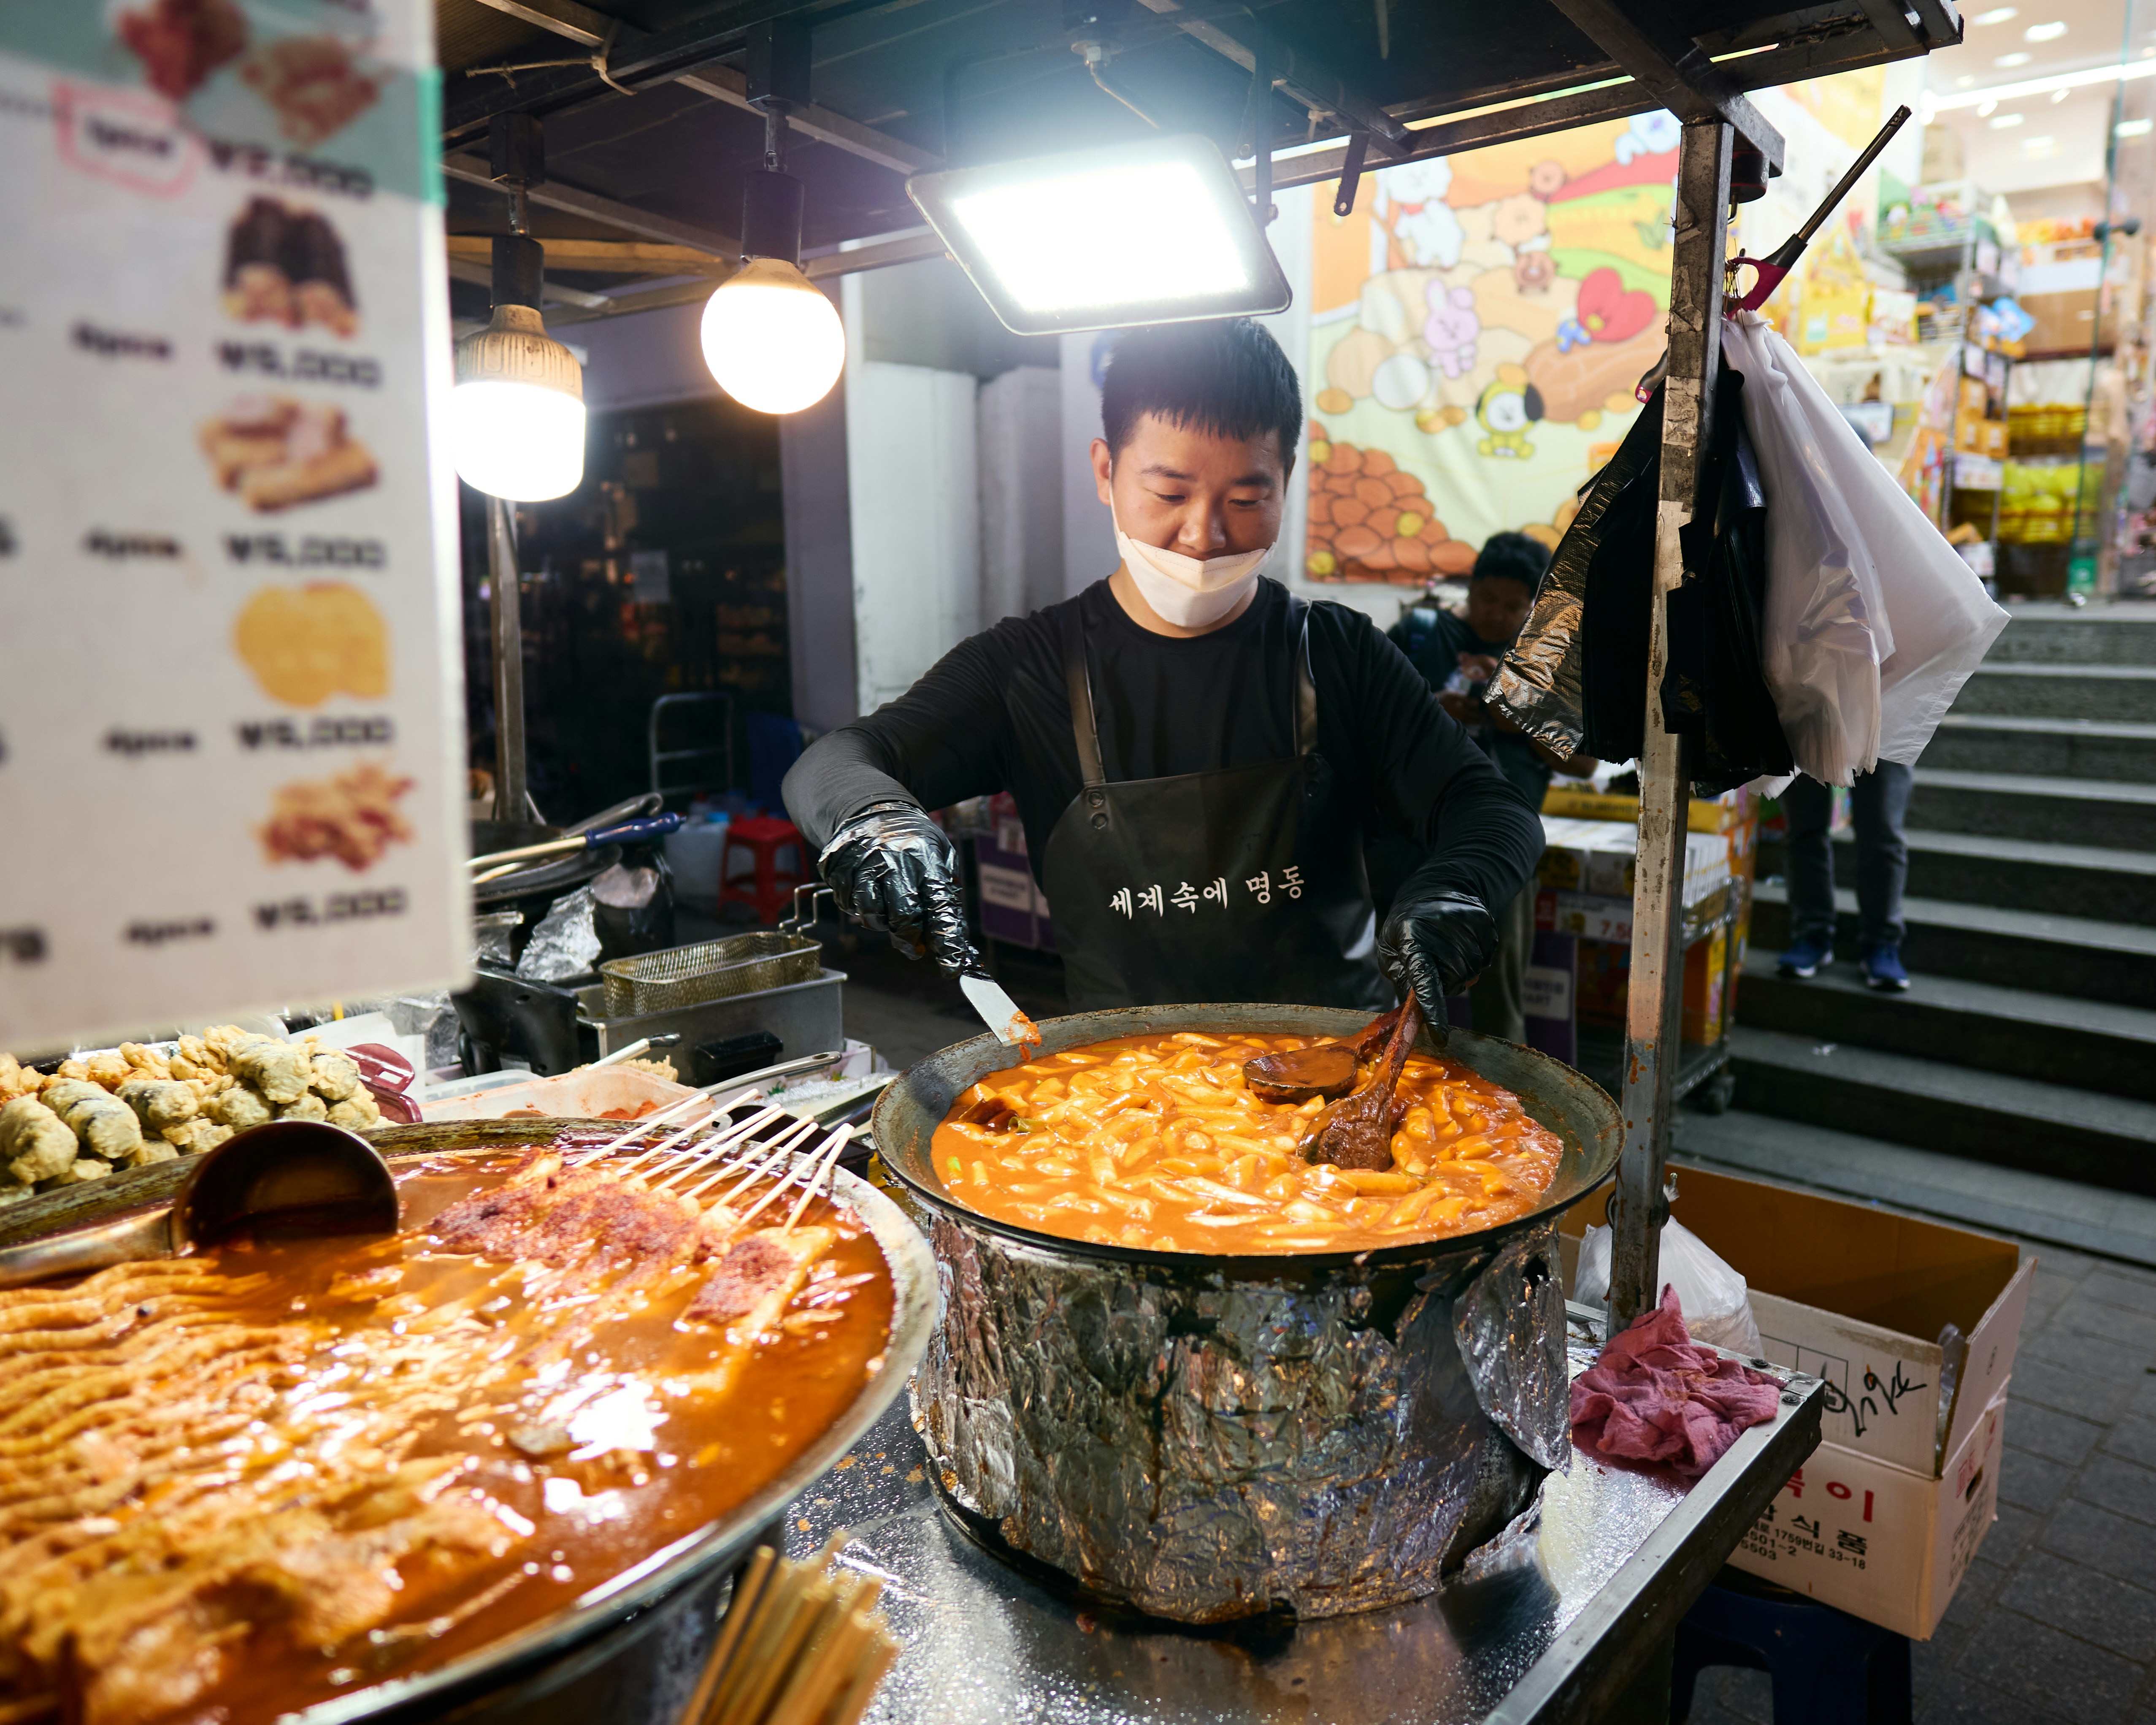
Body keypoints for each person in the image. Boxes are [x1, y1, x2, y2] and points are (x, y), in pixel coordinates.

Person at [781, 319, 1545, 1028]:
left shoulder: (1338, 654)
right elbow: (839, 759)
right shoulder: (1028, 669)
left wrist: (1455, 888)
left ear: (1285, 478)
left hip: (1334, 1079)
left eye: (1247, 497)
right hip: (1130, 1109)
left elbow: (1491, 810)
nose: (1202, 535)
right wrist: (873, 819)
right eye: (1169, 492)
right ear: (1106, 470)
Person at [1388, 534, 1595, 1039]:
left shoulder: (1544, 658)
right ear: (1471, 588)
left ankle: (1501, 1109)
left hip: (1502, 855)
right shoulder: (1418, 635)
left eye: (1512, 606)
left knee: (1498, 997)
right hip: (1411, 845)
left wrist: (1512, 717)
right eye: (1487, 599)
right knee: (1398, 990)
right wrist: (1428, 714)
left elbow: (1585, 764)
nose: (1496, 614)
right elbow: (1372, 725)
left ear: (1533, 607)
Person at [1776, 766, 1913, 991]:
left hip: (1882, 733)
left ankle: (1882, 941)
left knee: (1883, 831)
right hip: (1808, 731)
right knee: (1803, 828)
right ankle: (1811, 934)